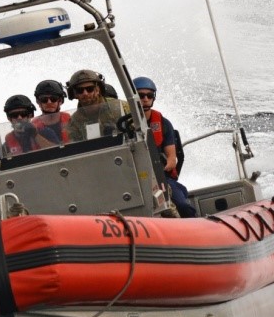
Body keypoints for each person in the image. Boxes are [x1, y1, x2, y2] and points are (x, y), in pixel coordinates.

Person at [133, 76, 196, 217]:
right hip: (134, 179)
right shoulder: (124, 123)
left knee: (182, 206)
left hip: (161, 178)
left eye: (149, 95)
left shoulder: (163, 123)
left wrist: (157, 174)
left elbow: (172, 160)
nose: (145, 99)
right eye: (141, 95)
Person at [65, 69, 126, 142]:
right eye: (80, 90)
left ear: (98, 89)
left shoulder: (121, 107)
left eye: (89, 89)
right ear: (74, 94)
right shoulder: (74, 122)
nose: (85, 93)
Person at [33, 80, 71, 144]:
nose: (49, 102)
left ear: (61, 101)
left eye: (53, 98)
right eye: (44, 99)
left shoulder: (70, 119)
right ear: (38, 102)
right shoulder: (33, 126)